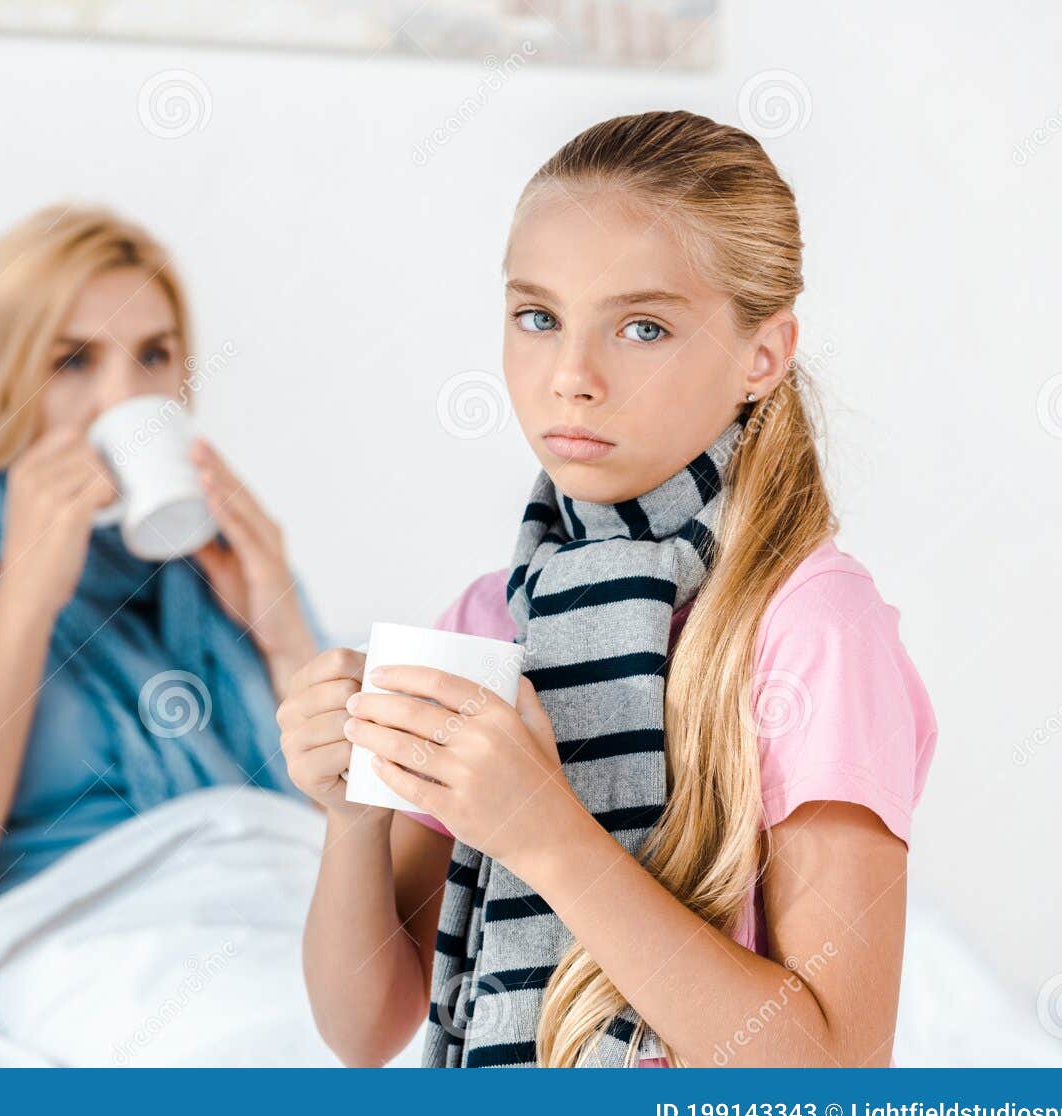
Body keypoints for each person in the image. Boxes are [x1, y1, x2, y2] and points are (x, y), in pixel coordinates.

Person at [279, 111, 937, 1067]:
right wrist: (352, 822)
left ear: (765, 354)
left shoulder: (812, 630)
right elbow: (366, 1027)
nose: (572, 378)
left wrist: (546, 838)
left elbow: (831, 1083)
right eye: (537, 318)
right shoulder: (490, 617)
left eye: (642, 327)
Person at [0, 205, 320, 942]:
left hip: (276, 933)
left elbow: (382, 854)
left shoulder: (213, 574)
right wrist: (27, 594)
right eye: (72, 361)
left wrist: (285, 632)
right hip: (76, 959)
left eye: (155, 356)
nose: (124, 400)